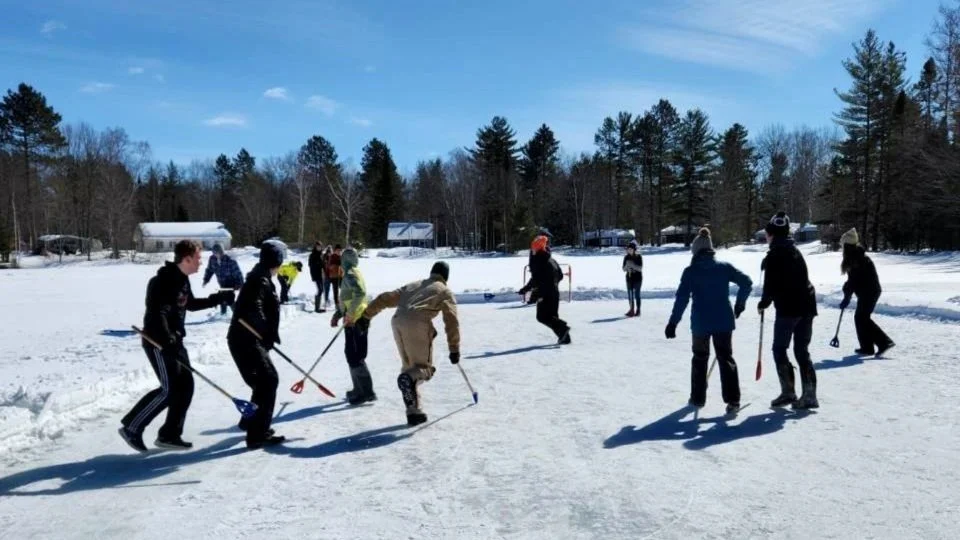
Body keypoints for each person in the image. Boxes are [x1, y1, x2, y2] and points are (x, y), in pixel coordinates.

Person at [119, 240, 235, 452]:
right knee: (170, 389)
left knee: (186, 386)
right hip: (158, 343)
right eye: (198, 258)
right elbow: (157, 314)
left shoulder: (182, 280)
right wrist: (168, 340)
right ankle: (132, 427)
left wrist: (217, 298)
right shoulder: (163, 281)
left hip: (174, 342)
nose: (201, 262)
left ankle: (169, 434)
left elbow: (188, 303)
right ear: (187, 258)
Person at [360, 261, 461, 426]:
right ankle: (410, 390)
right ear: (446, 276)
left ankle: (414, 412)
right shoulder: (444, 291)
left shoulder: (414, 285)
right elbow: (451, 319)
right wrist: (454, 348)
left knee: (409, 368)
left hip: (397, 322)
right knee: (423, 369)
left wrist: (366, 315)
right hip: (418, 324)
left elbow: (386, 298)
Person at [665, 228, 752, 414]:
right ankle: (733, 401)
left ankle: (697, 398)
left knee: (699, 359)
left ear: (695, 251)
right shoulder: (724, 267)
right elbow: (747, 282)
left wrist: (673, 322)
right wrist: (740, 304)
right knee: (725, 358)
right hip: (723, 321)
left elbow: (681, 299)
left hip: (701, 324)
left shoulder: (690, 271)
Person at [757, 212, 820, 410]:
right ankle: (808, 395)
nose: (766, 237)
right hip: (807, 306)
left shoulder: (776, 254)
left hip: (789, 308)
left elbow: (771, 285)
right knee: (801, 350)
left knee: (779, 348)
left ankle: (789, 392)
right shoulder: (794, 251)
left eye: (767, 234)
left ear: (773, 234)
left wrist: (763, 303)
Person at [226, 242, 286, 449]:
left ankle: (251, 422)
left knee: (262, 383)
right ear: (276, 262)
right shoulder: (259, 280)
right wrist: (265, 333)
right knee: (268, 381)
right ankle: (257, 435)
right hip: (246, 340)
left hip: (247, 339)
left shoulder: (261, 277)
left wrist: (267, 335)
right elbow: (254, 309)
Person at [330, 247, 376, 405]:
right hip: (353, 320)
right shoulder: (351, 272)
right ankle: (359, 388)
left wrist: (349, 314)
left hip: (356, 320)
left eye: (342, 259)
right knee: (352, 354)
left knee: (356, 356)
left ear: (346, 260)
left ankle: (366, 392)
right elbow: (347, 297)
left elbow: (360, 293)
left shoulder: (351, 273)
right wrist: (338, 314)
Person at [839, 228, 894, 357]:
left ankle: (884, 342)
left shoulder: (856, 258)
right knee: (861, 318)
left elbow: (853, 281)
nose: (842, 247)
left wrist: (846, 296)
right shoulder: (855, 256)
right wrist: (847, 293)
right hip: (867, 291)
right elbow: (853, 280)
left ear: (847, 245)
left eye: (843, 245)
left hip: (870, 292)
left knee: (862, 318)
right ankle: (867, 347)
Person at [519, 235, 570, 344]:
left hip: (544, 293)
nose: (531, 251)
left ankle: (563, 328)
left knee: (542, 317)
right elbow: (560, 275)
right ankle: (565, 338)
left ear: (536, 248)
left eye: (533, 248)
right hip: (554, 292)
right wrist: (553, 283)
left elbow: (535, 279)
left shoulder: (538, 260)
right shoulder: (550, 259)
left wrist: (527, 289)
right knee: (553, 317)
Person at [201, 243, 243, 315]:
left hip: (231, 283)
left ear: (222, 252)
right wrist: (206, 280)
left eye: (219, 252)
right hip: (222, 283)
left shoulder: (230, 261)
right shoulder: (212, 259)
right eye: (215, 253)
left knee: (229, 299)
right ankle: (223, 314)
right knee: (222, 298)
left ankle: (237, 315)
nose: (217, 254)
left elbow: (238, 274)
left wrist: (239, 284)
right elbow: (209, 270)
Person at [622, 240, 643, 317]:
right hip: (629, 278)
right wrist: (627, 267)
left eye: (630, 249)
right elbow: (623, 269)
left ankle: (638, 310)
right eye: (628, 249)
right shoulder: (626, 257)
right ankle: (631, 310)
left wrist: (632, 265)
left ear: (634, 250)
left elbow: (640, 268)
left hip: (637, 278)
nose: (629, 250)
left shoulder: (638, 257)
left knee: (637, 295)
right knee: (630, 295)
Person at [308, 241, 327, 313]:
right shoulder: (312, 255)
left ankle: (318, 307)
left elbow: (323, 265)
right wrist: (319, 264)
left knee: (321, 290)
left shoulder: (321, 255)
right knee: (320, 290)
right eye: (317, 246)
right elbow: (311, 265)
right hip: (316, 274)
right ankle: (317, 308)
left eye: (320, 246)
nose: (319, 248)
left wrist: (325, 270)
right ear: (315, 247)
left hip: (321, 274)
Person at [325, 244, 343, 309]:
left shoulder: (341, 257)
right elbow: (330, 265)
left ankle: (342, 302)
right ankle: (337, 304)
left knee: (343, 288)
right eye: (337, 250)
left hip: (341, 275)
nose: (339, 252)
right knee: (335, 290)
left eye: (340, 250)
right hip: (334, 276)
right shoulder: (332, 256)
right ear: (335, 250)